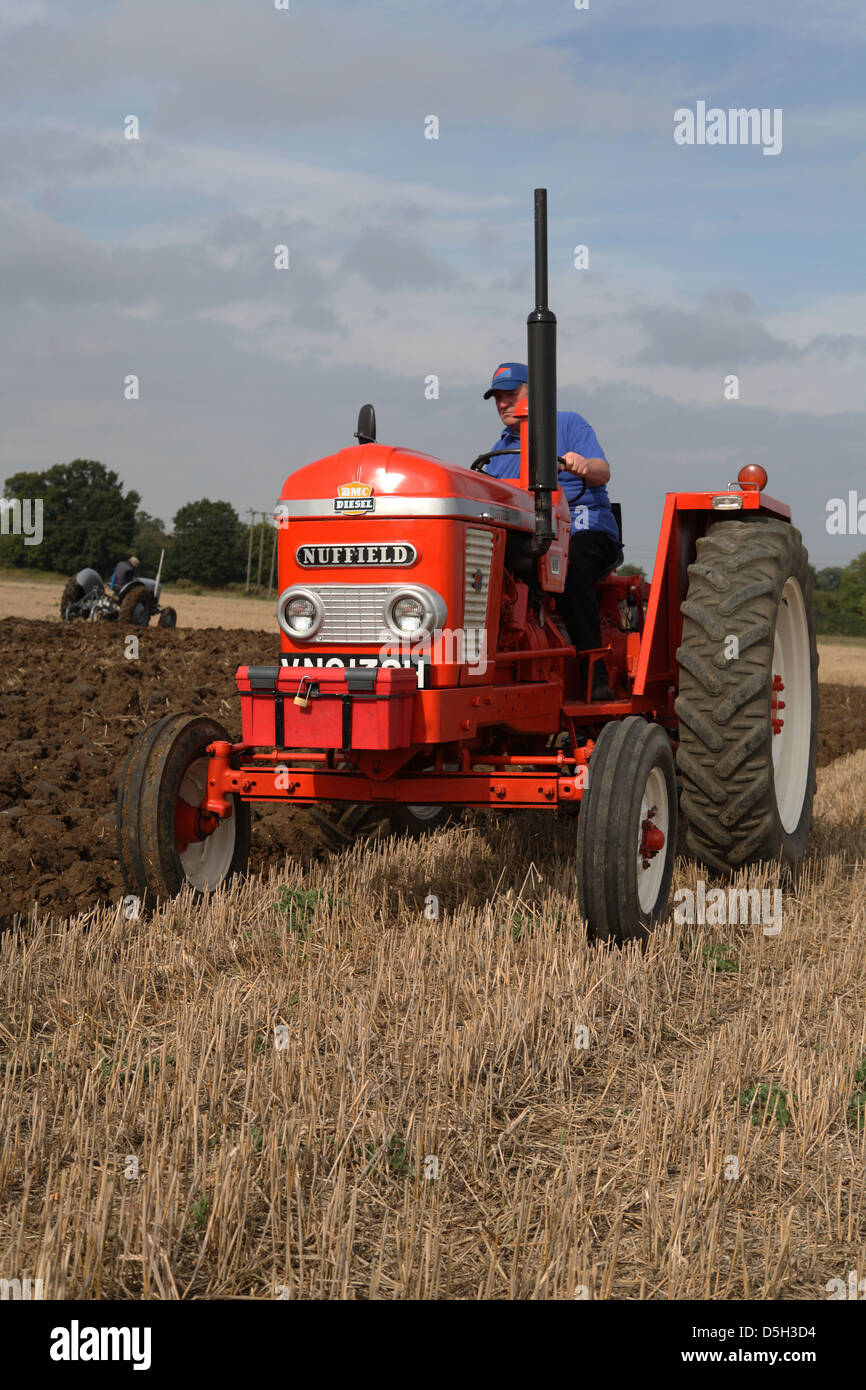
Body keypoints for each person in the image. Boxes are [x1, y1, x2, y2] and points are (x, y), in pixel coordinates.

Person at [482, 362, 620, 700]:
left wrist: (583, 464)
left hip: (584, 530)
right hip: (530, 538)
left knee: (569, 568)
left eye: (511, 394)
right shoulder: (499, 453)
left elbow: (603, 471)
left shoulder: (568, 423)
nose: (503, 403)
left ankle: (592, 667)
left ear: (536, 394)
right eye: (498, 397)